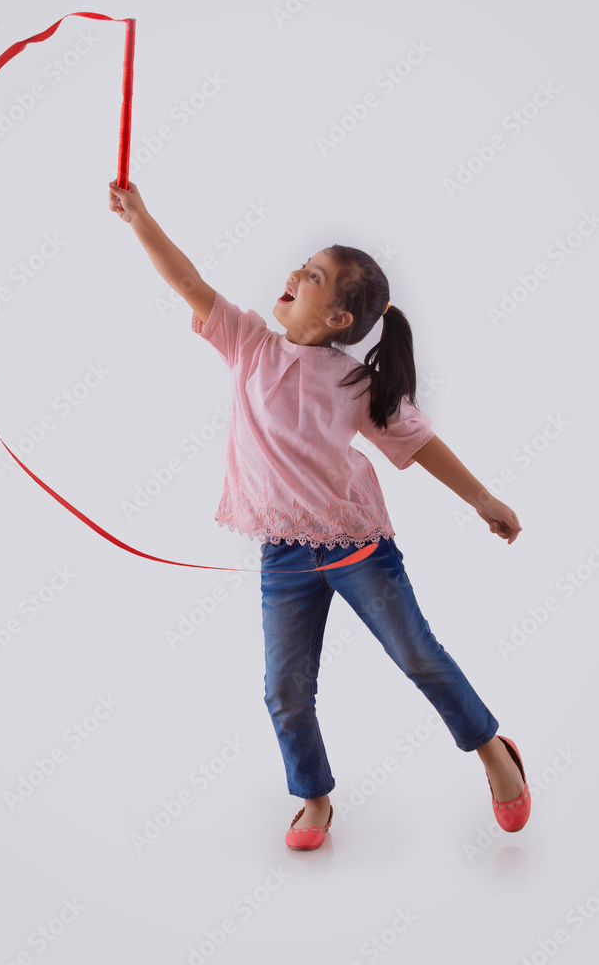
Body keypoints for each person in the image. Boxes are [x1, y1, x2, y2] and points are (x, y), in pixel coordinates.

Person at [108, 179, 531, 851]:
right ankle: (313, 797)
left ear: (337, 318)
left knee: (417, 655)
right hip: (283, 553)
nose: (291, 276)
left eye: (310, 276)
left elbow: (419, 443)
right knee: (284, 686)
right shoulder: (248, 344)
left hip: (356, 546)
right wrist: (140, 218)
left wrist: (482, 499)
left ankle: (493, 752)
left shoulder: (356, 383)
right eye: (300, 267)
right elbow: (185, 279)